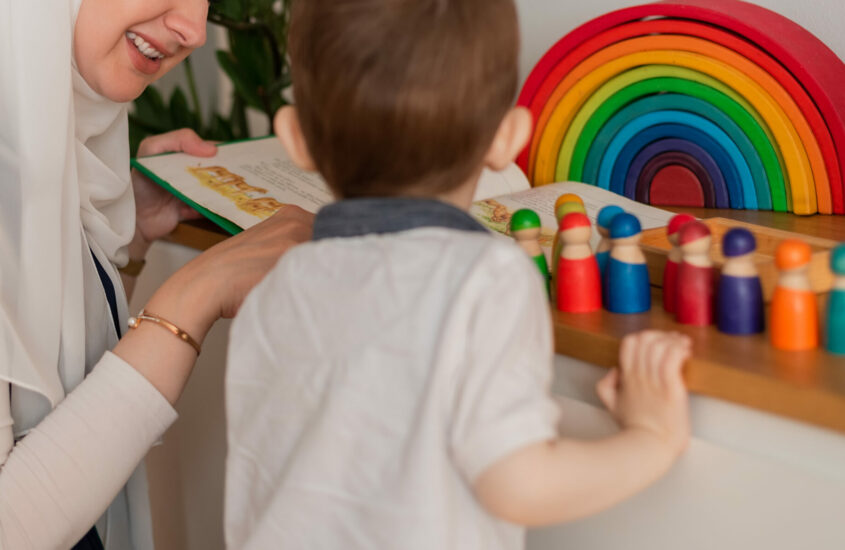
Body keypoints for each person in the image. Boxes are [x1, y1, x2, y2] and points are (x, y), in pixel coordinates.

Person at [223, 1, 692, 548]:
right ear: (507, 138)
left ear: (295, 137)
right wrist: (652, 437)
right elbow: (518, 485)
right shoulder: (486, 279)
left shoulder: (275, 286)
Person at [0, 1, 312, 549]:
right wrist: (197, 293)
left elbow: (50, 391)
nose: (194, 29)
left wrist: (132, 239)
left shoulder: (51, 149)